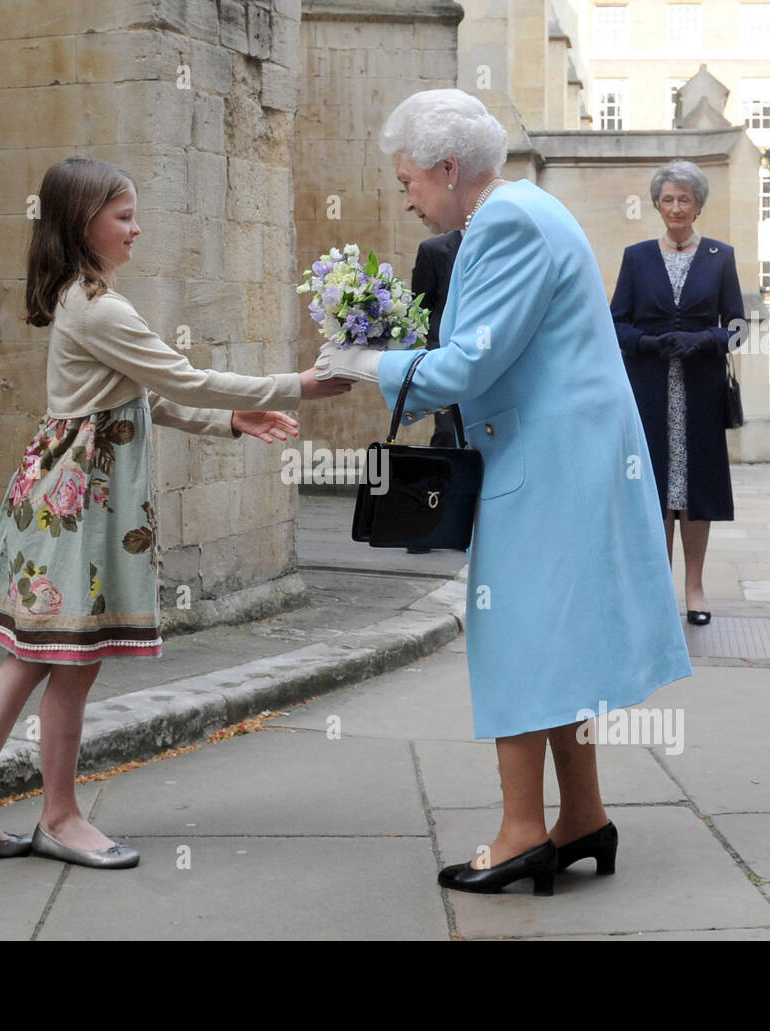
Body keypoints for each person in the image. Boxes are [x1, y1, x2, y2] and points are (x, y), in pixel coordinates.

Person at [0, 156, 349, 868]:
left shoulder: (78, 298)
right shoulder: (101, 307)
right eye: (124, 216)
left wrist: (232, 423)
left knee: (30, 659)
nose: (137, 229)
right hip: (77, 510)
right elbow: (184, 377)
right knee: (70, 662)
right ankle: (58, 816)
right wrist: (300, 383)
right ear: (83, 221)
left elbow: (139, 397)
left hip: (54, 505)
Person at [317, 89, 692, 896]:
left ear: (451, 170)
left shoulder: (505, 223)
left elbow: (464, 367)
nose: (405, 195)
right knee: (559, 640)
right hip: (566, 454)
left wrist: (355, 364)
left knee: (515, 634)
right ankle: (583, 815)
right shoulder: (526, 209)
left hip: (550, 462)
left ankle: (523, 831)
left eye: (409, 179)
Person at [609, 161, 744, 625]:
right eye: (667, 199)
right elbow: (615, 323)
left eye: (684, 199)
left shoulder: (720, 257)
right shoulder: (637, 256)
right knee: (657, 487)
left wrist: (706, 340)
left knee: (695, 489)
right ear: (656, 205)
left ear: (699, 205)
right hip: (650, 388)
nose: (676, 208)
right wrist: (647, 343)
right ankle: (656, 588)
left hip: (700, 390)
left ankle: (695, 587)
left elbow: (740, 326)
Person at [403, 229, 464, 555]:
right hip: (444, 358)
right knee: (445, 436)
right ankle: (422, 523)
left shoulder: (500, 246)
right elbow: (419, 310)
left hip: (489, 357)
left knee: (470, 443)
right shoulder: (434, 249)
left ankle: (459, 524)